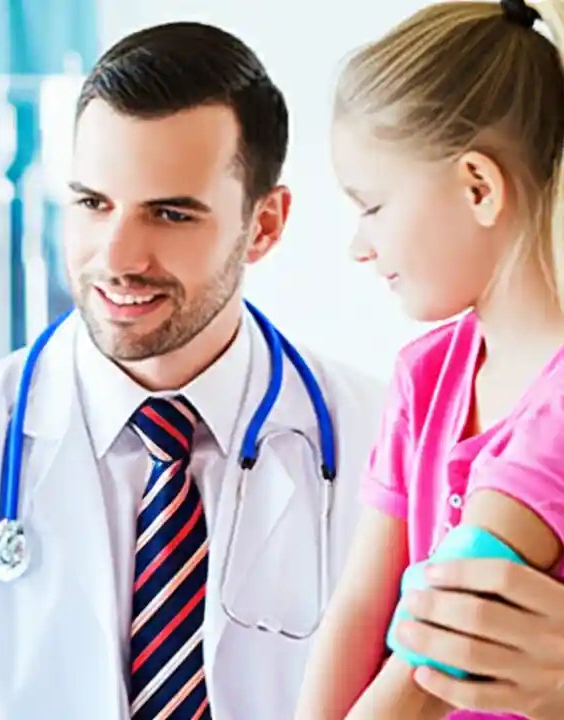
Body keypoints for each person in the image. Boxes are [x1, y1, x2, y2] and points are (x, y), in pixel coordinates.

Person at [0, 22, 387, 720]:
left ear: (264, 225)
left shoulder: (376, 437)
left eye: (169, 214)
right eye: (92, 203)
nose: (119, 256)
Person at [296, 1, 564, 719]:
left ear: (478, 187)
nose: (359, 243)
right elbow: (359, 607)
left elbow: (428, 660)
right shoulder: (426, 374)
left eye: (373, 207)